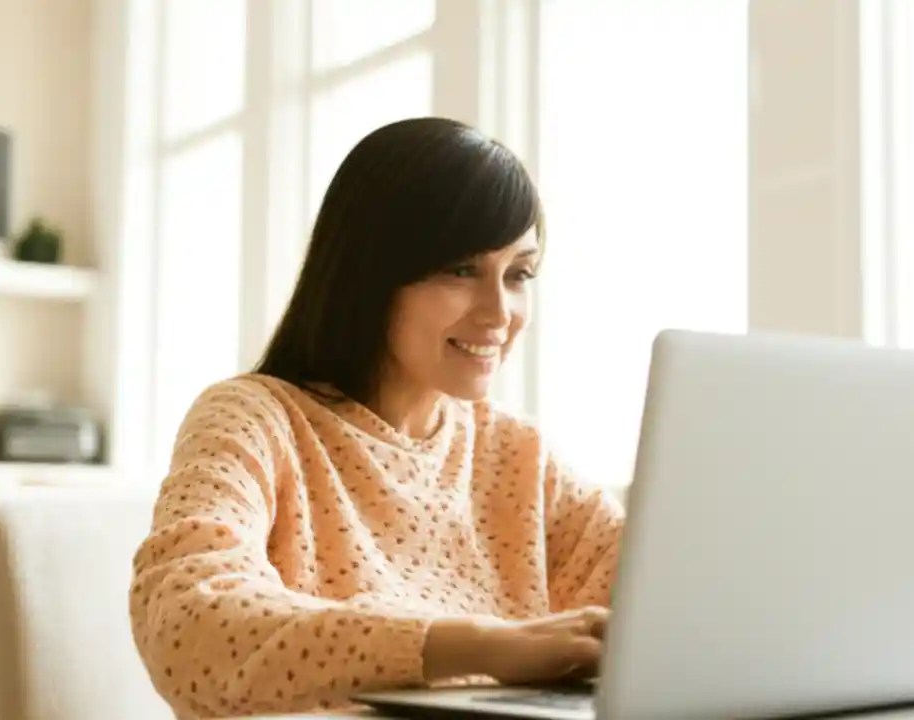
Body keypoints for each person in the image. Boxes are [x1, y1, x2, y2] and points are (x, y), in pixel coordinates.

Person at [129, 117, 624, 717]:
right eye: (462, 270)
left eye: (518, 274)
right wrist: (476, 647)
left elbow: (655, 593)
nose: (500, 312)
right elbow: (189, 624)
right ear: (371, 272)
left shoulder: (516, 454)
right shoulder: (255, 419)